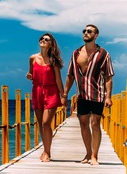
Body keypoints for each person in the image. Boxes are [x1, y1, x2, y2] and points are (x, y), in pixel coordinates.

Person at [63, 24, 114, 166]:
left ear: (96, 35)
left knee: (95, 123)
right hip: (81, 95)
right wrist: (65, 93)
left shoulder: (104, 54)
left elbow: (109, 77)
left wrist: (108, 96)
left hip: (98, 94)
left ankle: (94, 156)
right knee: (84, 124)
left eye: (89, 31)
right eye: (84, 31)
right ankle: (87, 153)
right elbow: (70, 75)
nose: (86, 33)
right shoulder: (76, 53)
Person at [26, 33, 65, 162]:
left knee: (46, 122)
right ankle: (46, 150)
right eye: (41, 39)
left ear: (51, 44)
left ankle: (47, 152)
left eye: (46, 39)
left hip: (51, 91)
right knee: (41, 125)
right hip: (37, 91)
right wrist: (29, 75)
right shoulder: (32, 58)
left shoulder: (53, 61)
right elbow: (31, 73)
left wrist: (63, 95)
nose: (43, 40)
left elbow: (58, 79)